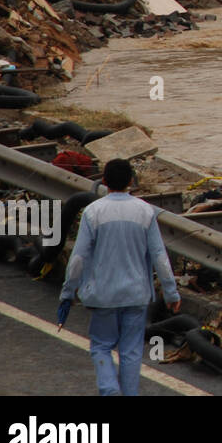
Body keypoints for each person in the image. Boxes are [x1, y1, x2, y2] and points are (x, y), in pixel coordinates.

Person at [57, 159, 181, 397]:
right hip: (136, 295)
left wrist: (68, 291)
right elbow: (160, 258)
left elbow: (79, 258)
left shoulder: (93, 212)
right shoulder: (145, 211)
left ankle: (109, 389)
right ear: (131, 181)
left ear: (104, 182)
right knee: (131, 351)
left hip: (102, 296)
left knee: (101, 346)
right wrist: (171, 292)